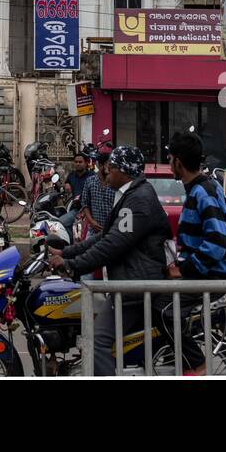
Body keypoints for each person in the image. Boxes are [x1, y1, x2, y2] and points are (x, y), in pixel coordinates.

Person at [48, 146, 170, 375]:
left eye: (111, 168)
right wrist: (65, 253)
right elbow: (103, 237)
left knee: (96, 342)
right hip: (128, 281)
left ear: (124, 171)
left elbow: (113, 245)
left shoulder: (138, 199)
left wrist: (73, 265)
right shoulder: (129, 195)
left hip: (134, 287)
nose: (106, 172)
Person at [168, 132, 226, 280]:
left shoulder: (203, 192)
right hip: (204, 277)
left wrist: (184, 270)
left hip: (211, 279)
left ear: (178, 163)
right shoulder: (200, 188)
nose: (170, 165)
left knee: (162, 303)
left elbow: (217, 241)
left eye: (170, 159)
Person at [78, 145, 115, 239]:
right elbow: (84, 203)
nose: (109, 168)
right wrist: (91, 222)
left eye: (110, 165)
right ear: (99, 165)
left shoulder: (115, 183)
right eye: (107, 165)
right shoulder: (90, 181)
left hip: (112, 232)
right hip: (93, 231)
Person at [61, 151, 91, 236]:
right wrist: (66, 184)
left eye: (80, 162)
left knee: (60, 223)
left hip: (89, 211)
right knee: (60, 224)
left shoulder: (92, 176)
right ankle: (72, 242)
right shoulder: (72, 175)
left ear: (86, 163)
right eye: (76, 162)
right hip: (76, 210)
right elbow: (66, 182)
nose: (78, 164)